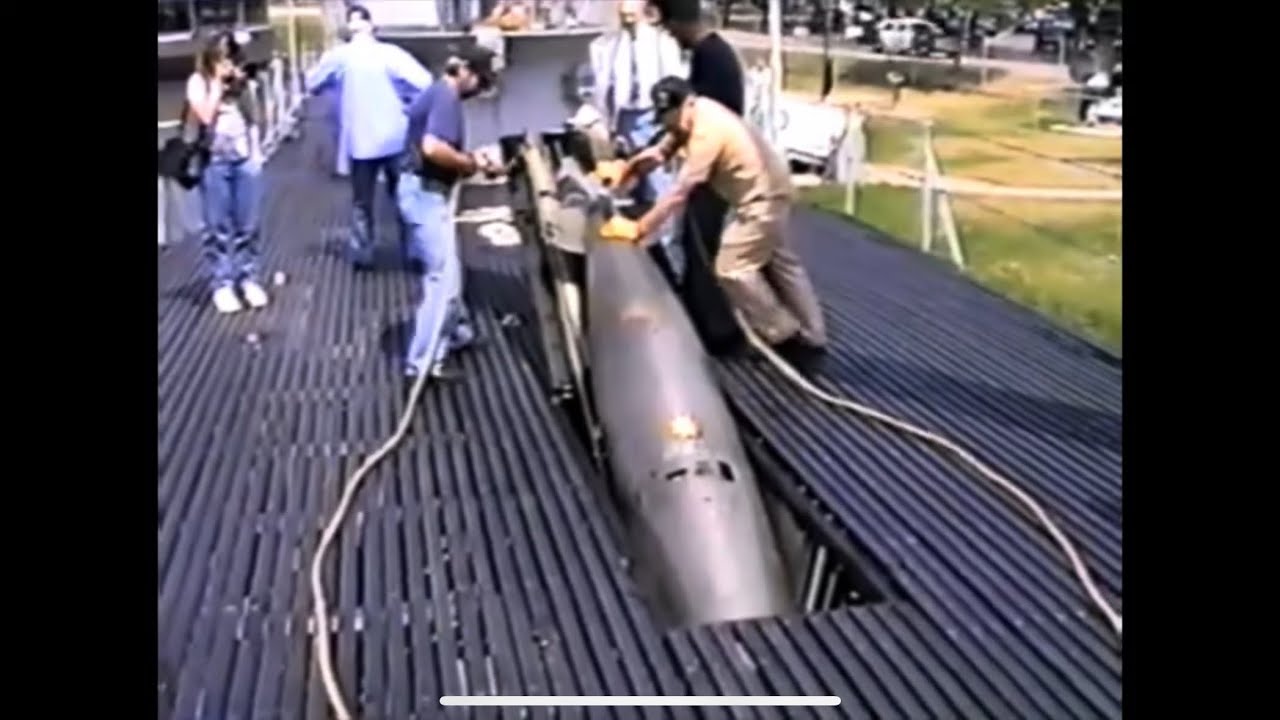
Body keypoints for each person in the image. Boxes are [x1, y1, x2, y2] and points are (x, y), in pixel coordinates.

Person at [607, 77, 827, 367]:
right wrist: (628, 170)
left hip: (762, 198)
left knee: (732, 268)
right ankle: (814, 336)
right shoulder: (695, 113)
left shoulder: (707, 133)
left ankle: (786, 337)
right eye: (664, 117)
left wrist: (640, 228)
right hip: (773, 188)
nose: (670, 122)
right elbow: (661, 152)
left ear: (687, 103)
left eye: (671, 115)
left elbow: (678, 193)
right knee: (784, 264)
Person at [647, 0, 747, 353]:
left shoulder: (712, 58)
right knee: (693, 242)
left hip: (716, 169)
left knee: (703, 249)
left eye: (670, 28)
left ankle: (719, 334)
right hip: (713, 165)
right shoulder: (711, 54)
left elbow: (704, 119)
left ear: (681, 22)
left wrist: (646, 222)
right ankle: (698, 317)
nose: (670, 36)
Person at [399, 46, 500, 382]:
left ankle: (455, 331)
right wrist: (468, 163)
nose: (480, 90)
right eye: (480, 81)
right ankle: (422, 362)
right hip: (424, 194)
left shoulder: (440, 95)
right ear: (466, 72)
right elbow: (432, 148)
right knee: (443, 279)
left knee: (451, 269)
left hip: (427, 192)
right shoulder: (445, 97)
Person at [306, 4, 433, 271]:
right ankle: (415, 252)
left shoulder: (339, 56)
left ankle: (363, 254)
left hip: (361, 142)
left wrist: (332, 84)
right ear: (372, 26)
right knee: (404, 197)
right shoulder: (391, 54)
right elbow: (426, 82)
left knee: (362, 202)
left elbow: (313, 84)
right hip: (395, 136)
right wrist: (409, 104)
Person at [588, 0, 686, 280]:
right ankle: (647, 252)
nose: (624, 11)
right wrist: (607, 123)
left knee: (659, 187)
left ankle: (668, 256)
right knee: (635, 185)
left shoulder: (661, 44)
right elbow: (605, 84)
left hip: (652, 117)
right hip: (624, 117)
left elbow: (675, 82)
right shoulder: (610, 45)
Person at [185, 31, 268, 314]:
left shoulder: (243, 84)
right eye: (221, 59)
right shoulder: (198, 82)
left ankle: (249, 278)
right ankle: (222, 283)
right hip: (213, 162)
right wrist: (218, 86)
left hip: (243, 159)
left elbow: (254, 119)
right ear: (210, 59)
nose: (227, 65)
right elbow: (206, 116)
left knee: (249, 225)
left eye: (231, 59)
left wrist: (257, 155)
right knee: (217, 227)